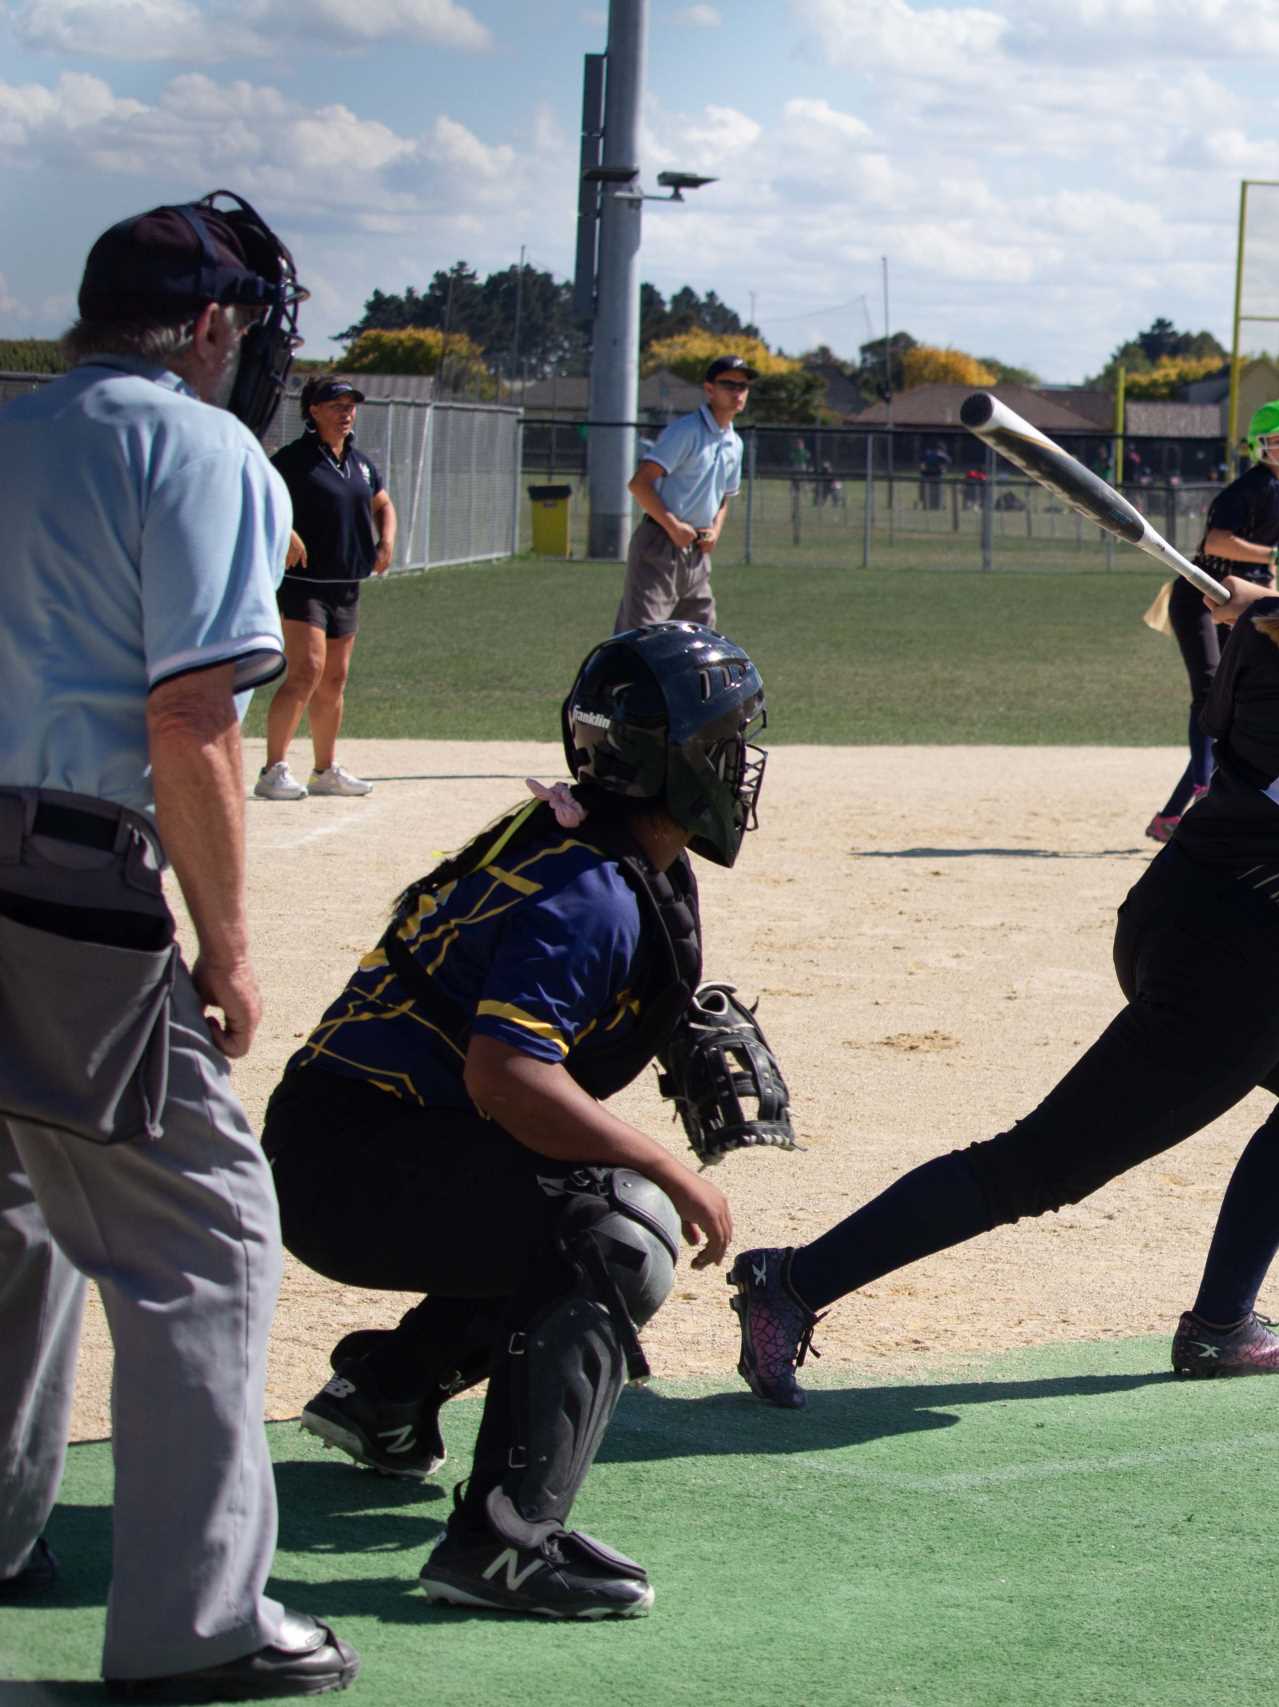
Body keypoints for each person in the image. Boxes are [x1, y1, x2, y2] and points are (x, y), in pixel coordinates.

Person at [724, 440, 1279, 1406]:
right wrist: (1268, 610)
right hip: (1247, 976)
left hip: (1170, 915)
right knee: (1035, 1168)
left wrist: (1257, 613)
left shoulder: (1267, 650)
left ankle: (1222, 1322)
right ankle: (794, 1282)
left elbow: (1253, 705)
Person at [0, 193, 363, 1697]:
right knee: (205, 1235)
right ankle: (198, 1621)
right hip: (62, 866)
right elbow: (192, 713)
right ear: (211, 328)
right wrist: (227, 943)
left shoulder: (14, 426)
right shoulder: (201, 446)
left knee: (20, 1200)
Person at [261, 623, 762, 1619]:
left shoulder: (595, 848)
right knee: (614, 1223)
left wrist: (662, 1031)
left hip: (353, 1137)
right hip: (350, 1162)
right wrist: (669, 1167)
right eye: (726, 744)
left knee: (557, 1199)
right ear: (682, 762)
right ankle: (506, 1541)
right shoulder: (592, 894)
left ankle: (389, 1391)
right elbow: (506, 1078)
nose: (740, 765)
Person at [1143, 399, 1279, 843]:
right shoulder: (1250, 488)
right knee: (1209, 695)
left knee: (1232, 704)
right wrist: (1274, 555)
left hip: (1248, 601)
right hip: (1203, 596)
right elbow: (1217, 542)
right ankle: (1204, 789)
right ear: (1260, 446)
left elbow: (1268, 567)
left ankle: (1172, 815)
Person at [254, 375, 396, 802]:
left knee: (335, 678)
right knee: (306, 671)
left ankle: (324, 770)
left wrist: (386, 538)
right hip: (304, 584)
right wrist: (287, 532)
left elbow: (382, 503)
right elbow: (262, 498)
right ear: (313, 410)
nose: (345, 412)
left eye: (350, 405)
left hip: (346, 583)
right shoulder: (292, 460)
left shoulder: (361, 463)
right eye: (336, 404)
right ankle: (273, 769)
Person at [616, 355, 749, 633]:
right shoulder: (686, 431)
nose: (738, 392)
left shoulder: (734, 443)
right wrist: (673, 526)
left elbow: (724, 496)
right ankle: (613, 679)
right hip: (660, 544)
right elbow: (639, 484)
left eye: (743, 386)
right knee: (640, 640)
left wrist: (715, 530)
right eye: (729, 384)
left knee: (701, 640)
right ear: (709, 389)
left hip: (697, 551)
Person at [919, 440, 950, 511]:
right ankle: (935, 506)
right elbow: (948, 461)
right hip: (934, 475)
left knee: (929, 492)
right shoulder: (939, 454)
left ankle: (930, 506)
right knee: (936, 492)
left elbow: (921, 461)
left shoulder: (928, 453)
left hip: (928, 475)